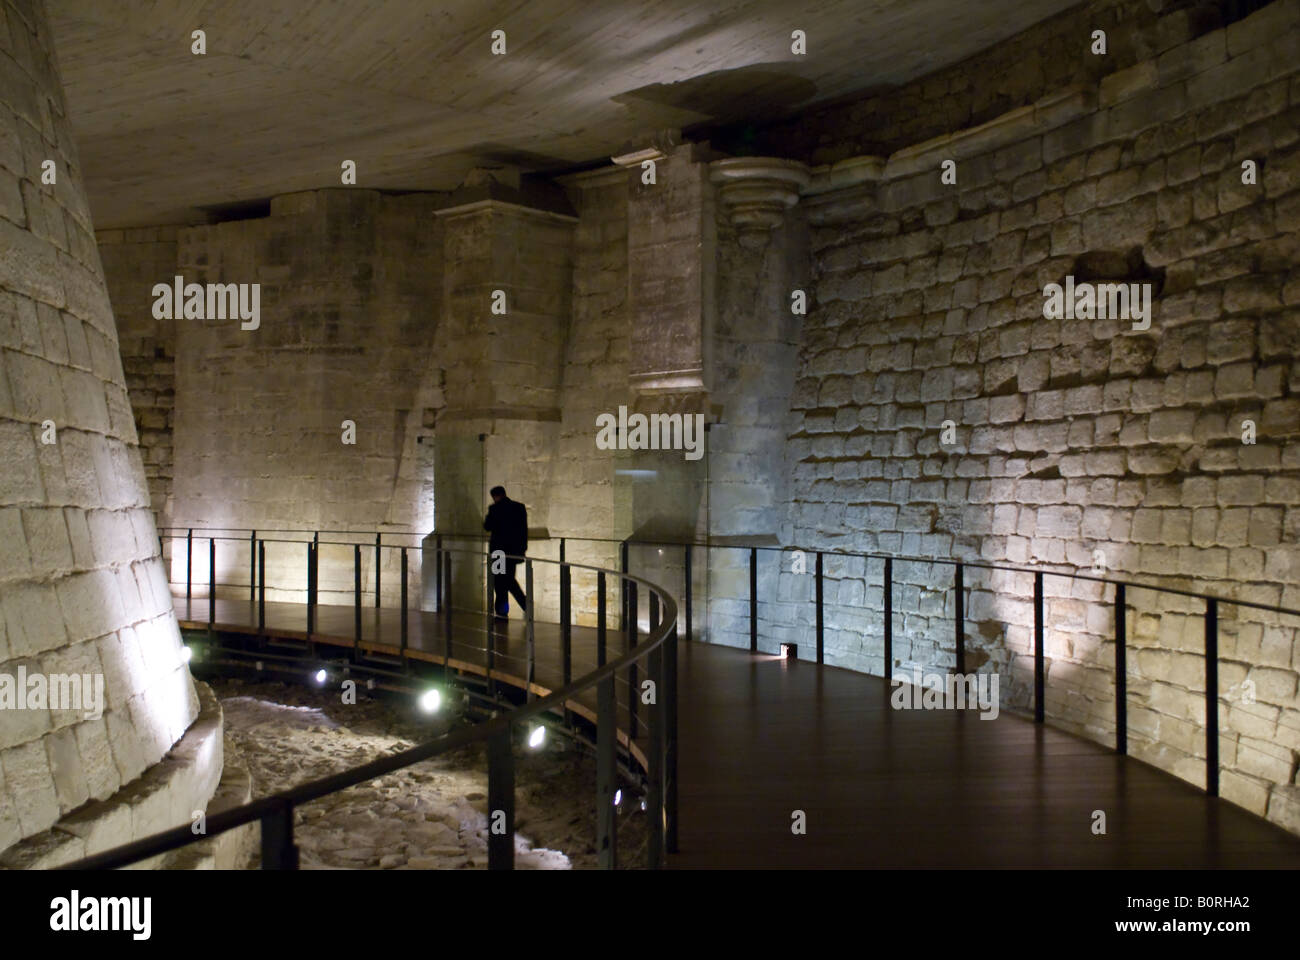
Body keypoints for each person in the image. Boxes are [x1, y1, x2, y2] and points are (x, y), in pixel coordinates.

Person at [483, 485, 528, 619]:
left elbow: (487, 526)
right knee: (509, 580)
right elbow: (523, 531)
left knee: (500, 582)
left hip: (498, 552)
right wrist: (522, 549)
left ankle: (503, 612)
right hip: (512, 552)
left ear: (495, 496)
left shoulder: (495, 509)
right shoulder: (519, 507)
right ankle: (525, 605)